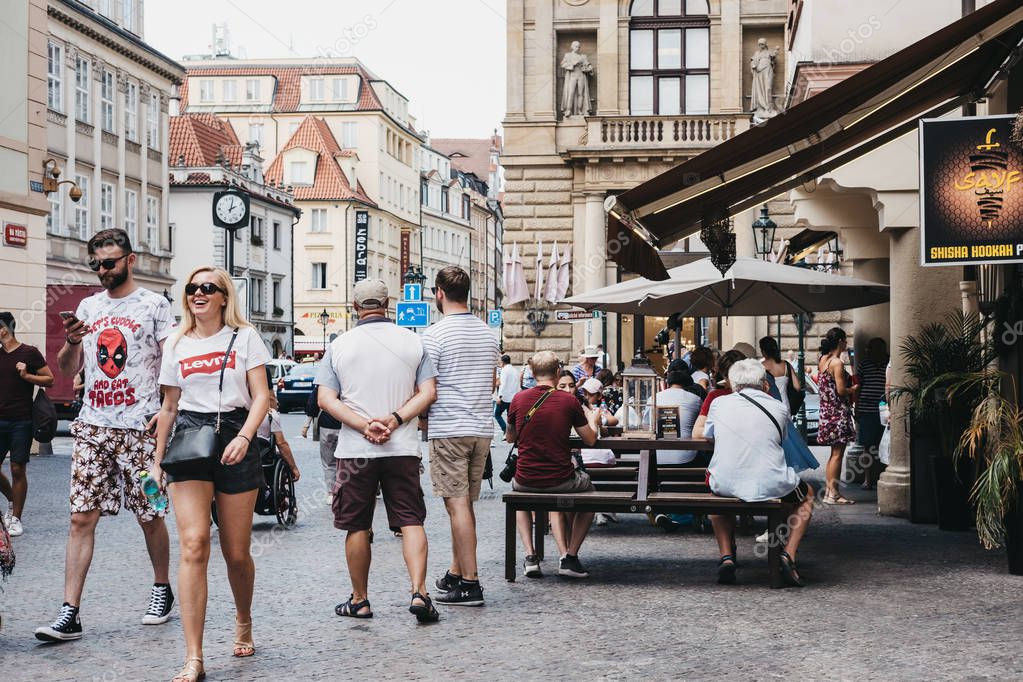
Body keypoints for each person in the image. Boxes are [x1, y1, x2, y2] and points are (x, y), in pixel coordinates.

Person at [37, 229, 175, 642]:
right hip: (93, 425)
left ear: (129, 260)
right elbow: (66, 368)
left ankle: (162, 589)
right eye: (95, 264)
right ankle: (70, 612)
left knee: (151, 513)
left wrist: (168, 414)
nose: (101, 270)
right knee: (81, 517)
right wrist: (72, 342)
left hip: (140, 428)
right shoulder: (88, 306)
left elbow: (171, 364)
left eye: (109, 263)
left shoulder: (155, 304)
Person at [151, 267, 272, 682]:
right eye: (192, 288)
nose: (198, 294)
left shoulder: (246, 338)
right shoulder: (176, 342)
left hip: (234, 433)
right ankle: (194, 656)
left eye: (208, 288)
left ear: (224, 297)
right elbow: (168, 406)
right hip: (189, 437)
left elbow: (262, 396)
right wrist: (155, 461)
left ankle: (243, 619)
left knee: (236, 552)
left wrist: (245, 435)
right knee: (194, 544)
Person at [316, 279, 440, 623]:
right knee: (410, 519)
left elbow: (325, 399)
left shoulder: (339, 345)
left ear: (355, 308)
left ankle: (360, 599)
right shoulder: (413, 341)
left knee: (357, 525)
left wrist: (363, 424)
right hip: (402, 446)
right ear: (390, 304)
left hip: (356, 449)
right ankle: (419, 592)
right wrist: (395, 419)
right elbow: (429, 392)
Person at [421, 266, 500, 607]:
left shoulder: (434, 335)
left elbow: (429, 389)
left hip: (450, 428)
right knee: (464, 505)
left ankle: (471, 583)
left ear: (439, 292)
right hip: (481, 429)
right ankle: (456, 571)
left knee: (457, 507)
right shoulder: (488, 334)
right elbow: (491, 381)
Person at [704, 360, 814, 587]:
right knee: (808, 495)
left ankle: (726, 556)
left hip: (725, 482)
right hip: (771, 482)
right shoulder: (779, 407)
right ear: (765, 384)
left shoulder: (719, 404)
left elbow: (709, 434)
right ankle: (788, 555)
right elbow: (781, 439)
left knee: (716, 493)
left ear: (733, 384)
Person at [508, 351, 601, 579]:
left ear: (531, 372)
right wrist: (593, 421)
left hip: (525, 479)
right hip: (560, 479)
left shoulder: (519, 399)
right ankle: (569, 557)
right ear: (557, 372)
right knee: (592, 496)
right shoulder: (568, 401)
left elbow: (510, 437)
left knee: (518, 494)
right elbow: (590, 439)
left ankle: (530, 556)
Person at [0, 311, 54, 537]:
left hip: (21, 421)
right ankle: (13, 500)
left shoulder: (29, 353)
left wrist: (27, 376)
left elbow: (49, 379)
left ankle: (15, 518)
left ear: (4, 328)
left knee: (17, 468)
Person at [651, 366, 705, 533]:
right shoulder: (695, 399)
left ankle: (668, 512)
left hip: (658, 457)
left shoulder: (654, 398)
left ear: (668, 382)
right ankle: (690, 513)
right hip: (686, 457)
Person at [817, 327, 858, 504]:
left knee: (833, 454)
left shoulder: (823, 360)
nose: (847, 343)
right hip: (837, 413)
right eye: (845, 340)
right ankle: (834, 494)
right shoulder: (837, 363)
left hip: (826, 413)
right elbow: (841, 390)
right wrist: (853, 389)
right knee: (837, 455)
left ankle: (829, 492)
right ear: (840, 341)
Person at [855, 338, 889, 489]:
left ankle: (882, 476)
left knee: (885, 444)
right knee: (867, 446)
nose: (870, 351)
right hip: (867, 409)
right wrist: (856, 408)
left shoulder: (888, 363)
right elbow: (858, 386)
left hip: (884, 410)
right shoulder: (864, 364)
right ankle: (868, 480)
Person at [691, 349, 746, 439]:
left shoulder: (715, 396)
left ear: (724, 375)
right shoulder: (762, 396)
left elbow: (697, 432)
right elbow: (696, 432)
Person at [304, 384, 342, 491]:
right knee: (347, 461)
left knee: (329, 462)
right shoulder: (349, 380)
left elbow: (312, 403)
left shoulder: (324, 383)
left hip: (327, 425)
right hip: (348, 425)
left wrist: (306, 425)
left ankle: (331, 492)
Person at [257, 394, 301, 484]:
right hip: (263, 456)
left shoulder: (236, 413)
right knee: (281, 457)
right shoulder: (270, 414)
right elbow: (281, 444)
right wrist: (293, 467)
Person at [759, 336, 801, 413]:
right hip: (785, 405)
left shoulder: (760, 366)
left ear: (763, 351)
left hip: (768, 406)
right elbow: (797, 387)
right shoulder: (786, 365)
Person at [494, 354, 519, 433]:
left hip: (504, 397)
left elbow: (503, 384)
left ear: (502, 362)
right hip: (513, 397)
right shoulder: (515, 370)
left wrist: (499, 396)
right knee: (510, 417)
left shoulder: (504, 370)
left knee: (497, 414)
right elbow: (517, 383)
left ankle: (505, 430)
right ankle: (512, 433)